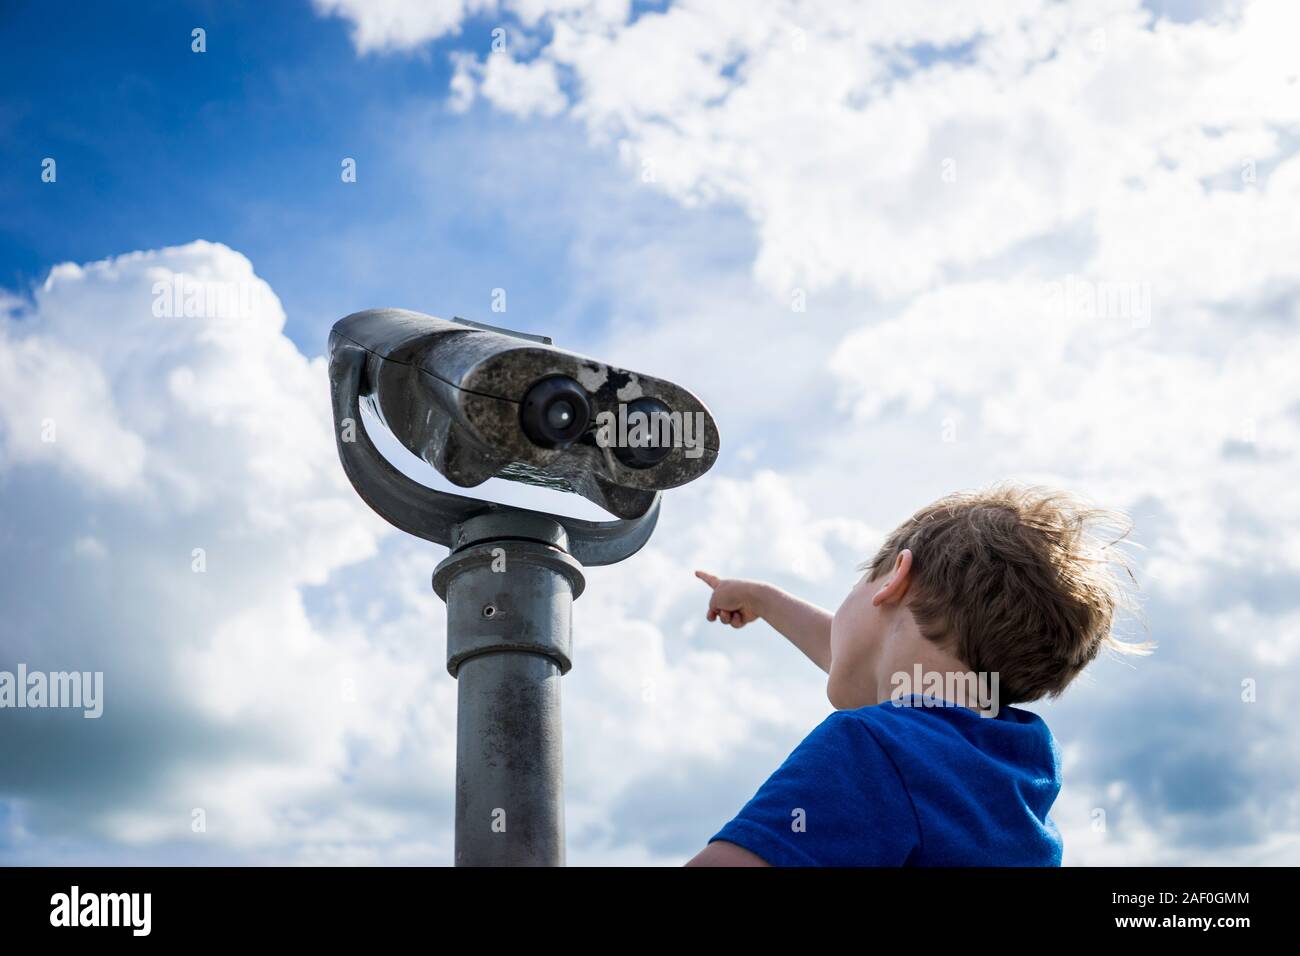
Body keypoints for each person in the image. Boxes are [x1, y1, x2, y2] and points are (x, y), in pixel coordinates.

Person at [685, 483, 1148, 866]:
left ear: (894, 579)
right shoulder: (1020, 767)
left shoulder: (873, 748)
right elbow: (858, 660)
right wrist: (764, 601)